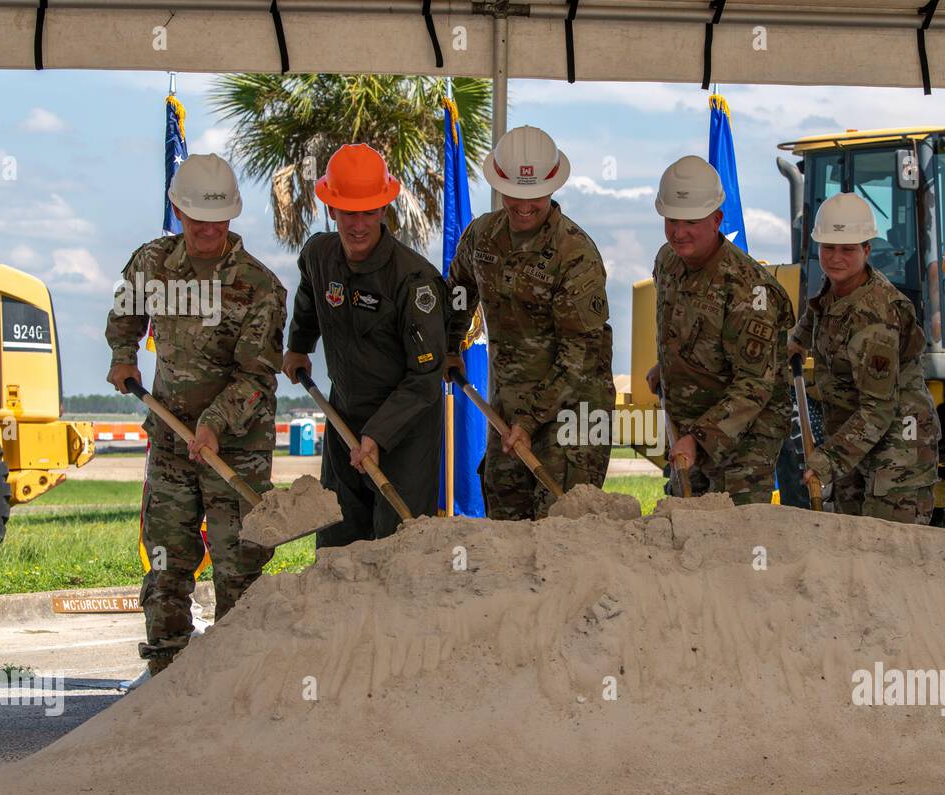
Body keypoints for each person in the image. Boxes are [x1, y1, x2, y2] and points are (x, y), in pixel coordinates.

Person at [105, 153, 286, 675]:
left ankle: (238, 675)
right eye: (198, 220)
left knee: (239, 565)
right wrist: (123, 355)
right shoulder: (152, 263)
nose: (208, 231)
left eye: (219, 221)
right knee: (167, 558)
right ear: (178, 212)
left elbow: (256, 377)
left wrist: (212, 424)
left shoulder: (260, 286)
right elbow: (125, 313)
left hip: (238, 447)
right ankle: (167, 671)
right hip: (170, 439)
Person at [444, 125, 614, 519]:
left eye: (534, 195)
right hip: (508, 408)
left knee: (560, 526)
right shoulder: (482, 237)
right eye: (514, 194)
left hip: (573, 414)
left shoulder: (575, 254)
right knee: (506, 525)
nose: (523, 205)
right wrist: (451, 345)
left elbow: (579, 355)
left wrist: (530, 419)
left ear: (552, 187)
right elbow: (458, 291)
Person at [283, 144, 447, 545]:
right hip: (344, 417)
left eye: (369, 212)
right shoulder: (319, 254)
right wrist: (299, 345)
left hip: (404, 431)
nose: (358, 225)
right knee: (338, 541)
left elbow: (426, 377)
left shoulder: (414, 280)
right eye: (348, 213)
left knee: (398, 546)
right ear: (331, 209)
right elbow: (309, 295)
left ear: (384, 209)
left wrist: (378, 434)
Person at [646, 155, 792, 504]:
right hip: (689, 422)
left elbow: (754, 385)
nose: (679, 232)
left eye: (691, 222)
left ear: (716, 220)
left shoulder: (748, 289)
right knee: (684, 515)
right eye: (672, 220)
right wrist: (667, 365)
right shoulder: (667, 262)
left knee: (733, 525)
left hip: (745, 435)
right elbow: (686, 328)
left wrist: (699, 439)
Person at [788, 193, 940, 523]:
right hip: (854, 435)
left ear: (866, 250)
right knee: (851, 536)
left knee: (887, 543)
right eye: (828, 247)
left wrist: (827, 461)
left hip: (897, 445)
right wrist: (798, 339)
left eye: (847, 249)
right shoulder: (837, 287)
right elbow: (819, 313)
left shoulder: (876, 317)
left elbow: (878, 410)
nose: (836, 258)